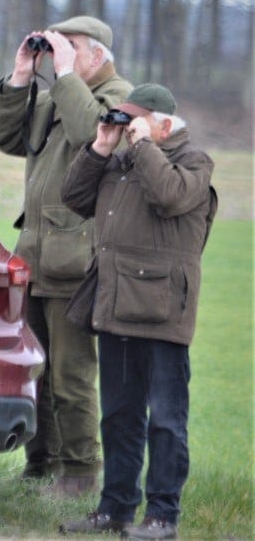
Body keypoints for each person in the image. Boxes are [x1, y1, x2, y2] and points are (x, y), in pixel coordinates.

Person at [59, 84, 217, 539]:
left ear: (165, 123)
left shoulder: (194, 162)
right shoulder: (121, 160)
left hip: (164, 312)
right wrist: (99, 149)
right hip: (116, 304)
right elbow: (74, 199)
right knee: (119, 415)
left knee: (166, 421)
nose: (126, 126)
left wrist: (144, 143)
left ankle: (162, 517)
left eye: (135, 119)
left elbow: (169, 195)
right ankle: (115, 510)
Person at [0, 16, 132, 495]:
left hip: (77, 259)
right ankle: (41, 466)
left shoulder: (118, 98)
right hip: (35, 256)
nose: (59, 54)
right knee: (38, 372)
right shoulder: (54, 98)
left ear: (98, 56)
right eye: (57, 47)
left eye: (70, 48)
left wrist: (65, 75)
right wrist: (22, 76)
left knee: (71, 376)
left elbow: (94, 133)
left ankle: (82, 473)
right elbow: (3, 139)